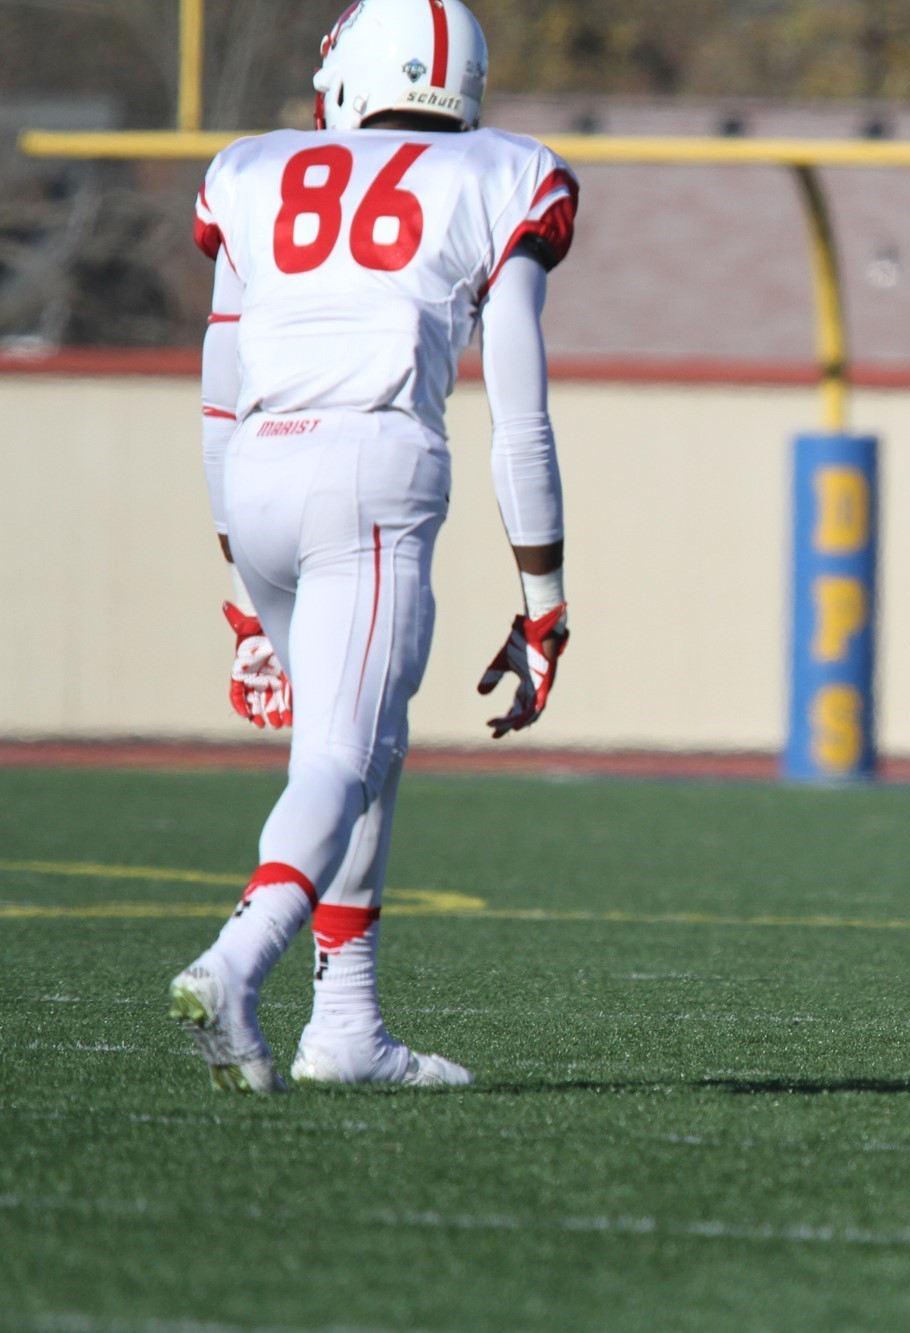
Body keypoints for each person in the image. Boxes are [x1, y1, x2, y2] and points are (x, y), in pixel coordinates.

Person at [169, 0, 578, 1092]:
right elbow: (521, 416)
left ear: (351, 72)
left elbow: (218, 395)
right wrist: (544, 596)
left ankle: (346, 1027)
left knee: (364, 745)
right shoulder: (504, 172)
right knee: (341, 759)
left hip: (257, 471)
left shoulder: (254, 167)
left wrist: (241, 590)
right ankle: (235, 962)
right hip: (375, 470)